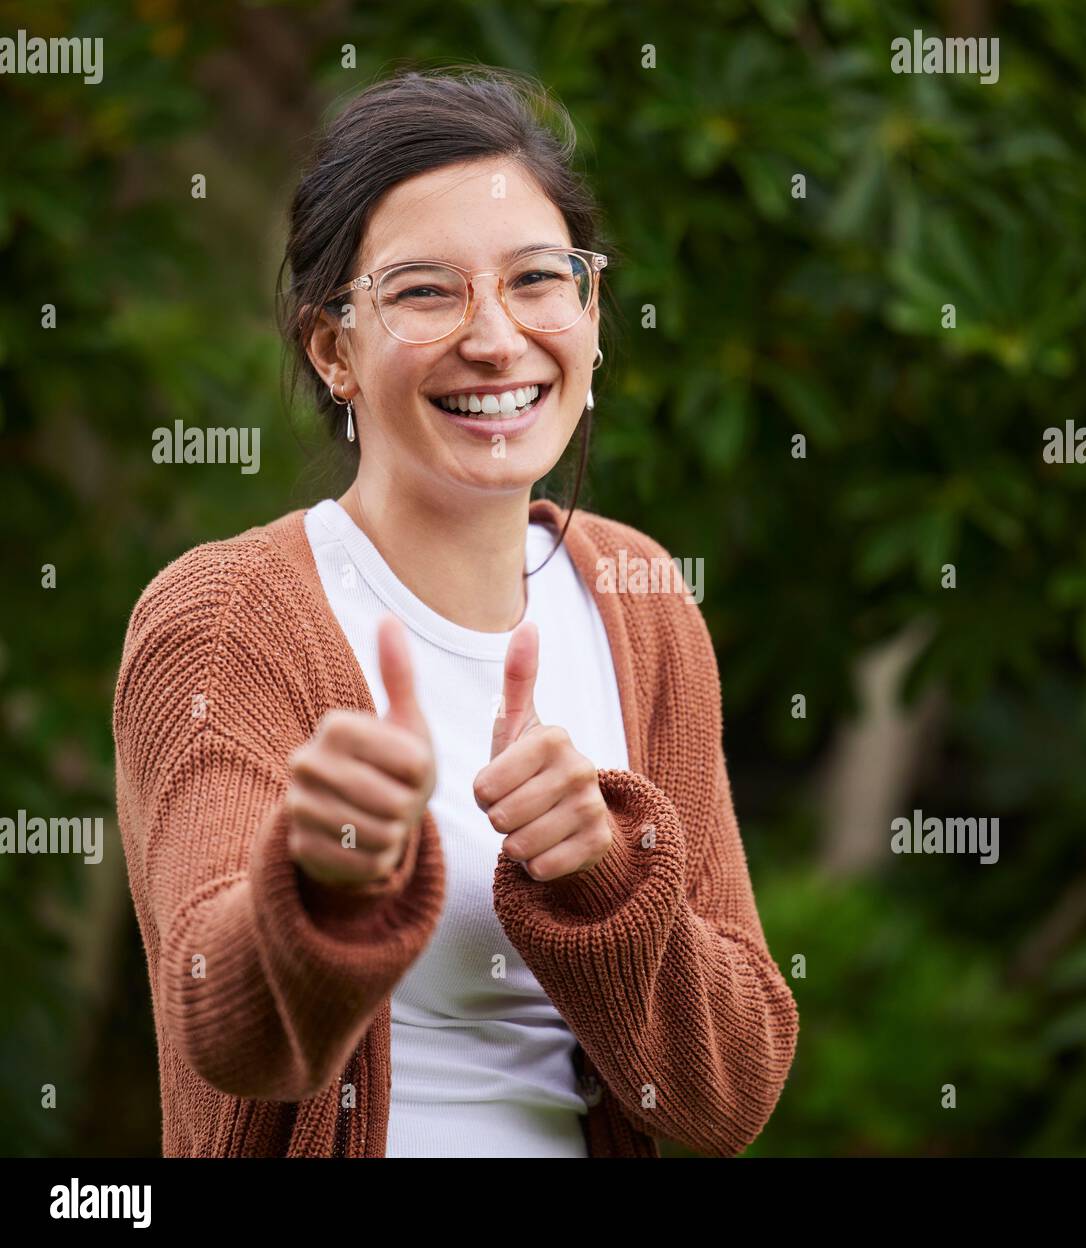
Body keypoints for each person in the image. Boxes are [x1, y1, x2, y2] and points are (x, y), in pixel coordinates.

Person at [112, 65, 799, 1159]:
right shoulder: (226, 617)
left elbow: (727, 1096)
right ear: (332, 349)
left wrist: (606, 879)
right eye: (427, 292)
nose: (494, 338)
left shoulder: (642, 598)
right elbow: (221, 1030)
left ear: (590, 313)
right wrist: (318, 877)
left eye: (537, 279)